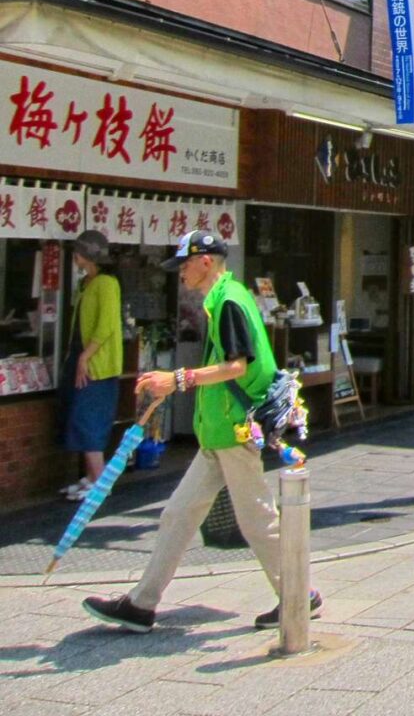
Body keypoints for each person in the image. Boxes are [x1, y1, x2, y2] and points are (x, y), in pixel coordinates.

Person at [83, 230, 319, 633]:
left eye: (185, 265)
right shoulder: (227, 297)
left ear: (206, 261)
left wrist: (175, 380)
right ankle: (141, 605)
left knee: (258, 520)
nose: (180, 274)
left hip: (232, 430)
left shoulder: (227, 302)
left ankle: (300, 596)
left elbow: (236, 367)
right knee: (179, 514)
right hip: (219, 432)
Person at [59, 231, 122, 502]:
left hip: (99, 365)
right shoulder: (87, 283)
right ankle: (90, 478)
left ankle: (99, 483)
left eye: (77, 253)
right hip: (83, 359)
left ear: (85, 256)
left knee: (89, 421)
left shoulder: (106, 283)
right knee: (80, 417)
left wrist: (86, 355)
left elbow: (106, 324)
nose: (74, 258)